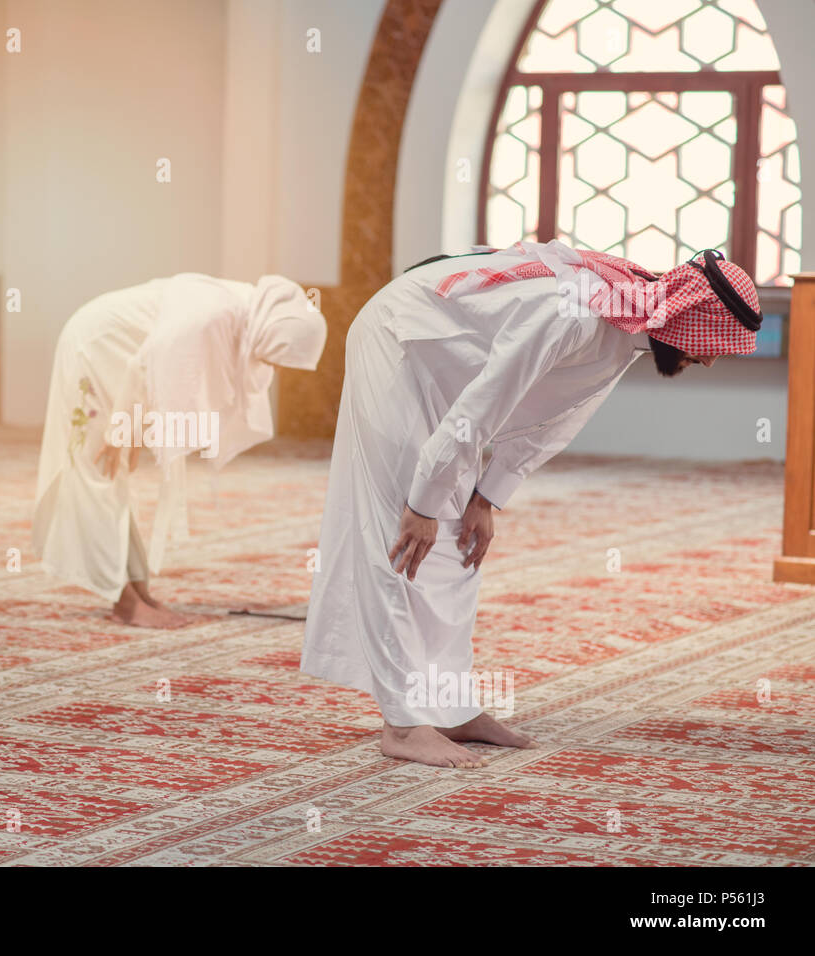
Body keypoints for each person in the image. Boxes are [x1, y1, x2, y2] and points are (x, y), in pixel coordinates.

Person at [301, 241, 762, 768]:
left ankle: (450, 708)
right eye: (713, 342)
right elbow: (484, 405)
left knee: (457, 547)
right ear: (687, 316)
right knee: (400, 533)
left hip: (447, 368)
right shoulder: (576, 314)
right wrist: (425, 502)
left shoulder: (622, 323)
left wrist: (486, 496)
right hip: (398, 341)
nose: (707, 357)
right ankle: (403, 725)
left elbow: (553, 419)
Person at [34, 272, 327, 627]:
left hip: (117, 357)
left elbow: (154, 367)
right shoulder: (213, 316)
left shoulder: (242, 312)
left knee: (112, 477)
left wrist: (130, 430)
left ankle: (135, 589)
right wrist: (120, 431)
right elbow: (144, 363)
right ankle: (122, 600)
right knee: (92, 472)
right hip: (95, 347)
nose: (272, 368)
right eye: (277, 359)